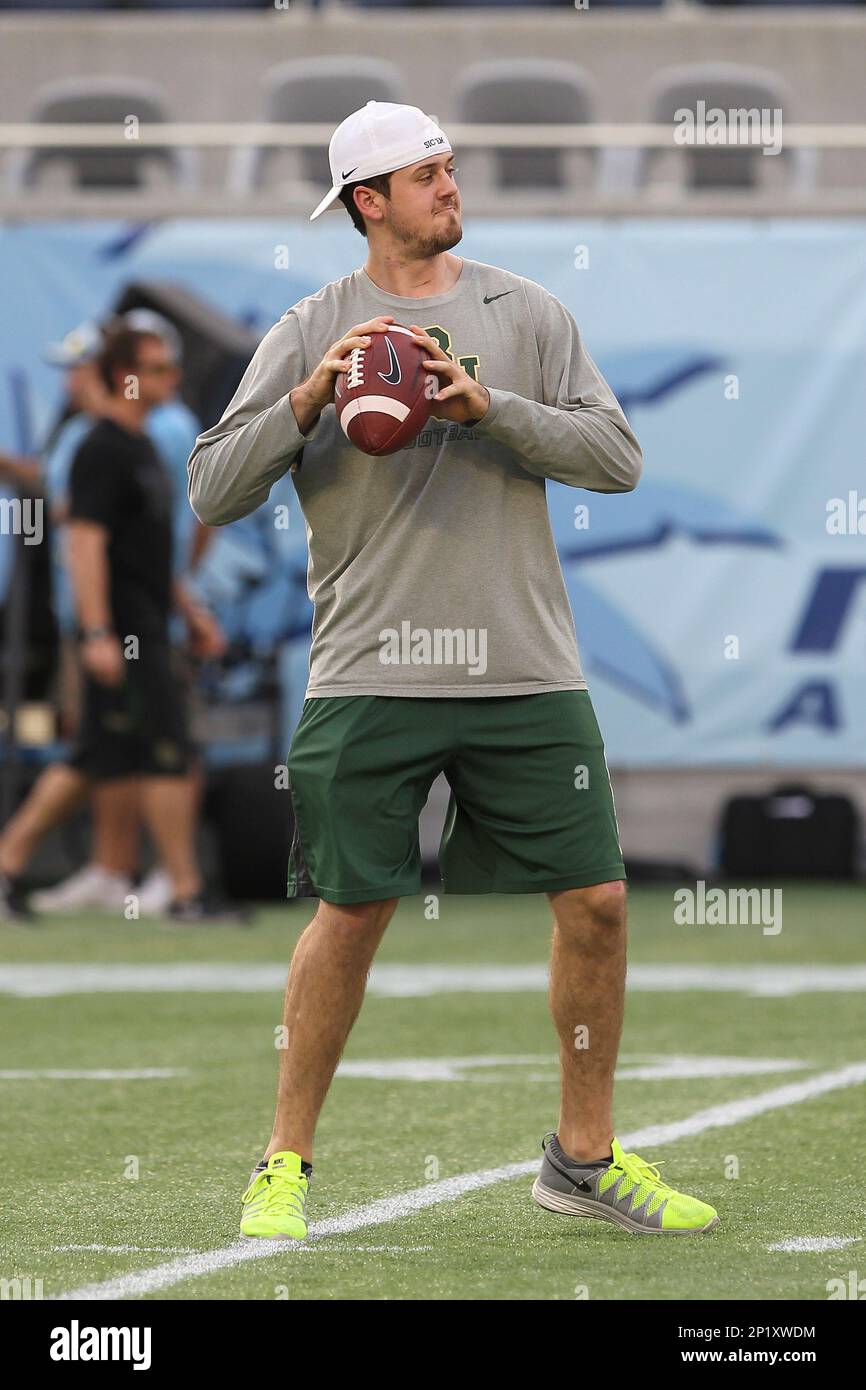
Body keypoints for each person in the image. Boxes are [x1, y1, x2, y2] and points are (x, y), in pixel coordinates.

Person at [189, 101, 718, 1240]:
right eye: (424, 175)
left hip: (524, 665)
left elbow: (616, 457)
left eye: (447, 167)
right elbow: (213, 487)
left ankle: (580, 1160)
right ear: (365, 204)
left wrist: (491, 410)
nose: (449, 186)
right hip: (366, 669)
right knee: (351, 911)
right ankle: (283, 1162)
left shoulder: (523, 312)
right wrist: (303, 402)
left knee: (598, 904)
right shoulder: (311, 324)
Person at [0, 317, 215, 920]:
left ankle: (12, 865)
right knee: (165, 747)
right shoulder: (104, 446)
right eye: (158, 369)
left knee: (97, 755)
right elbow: (85, 542)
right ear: (125, 378)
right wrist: (97, 632)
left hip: (141, 621)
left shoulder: (146, 441)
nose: (173, 378)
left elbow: (152, 547)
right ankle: (184, 891)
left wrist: (186, 605)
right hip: (123, 631)